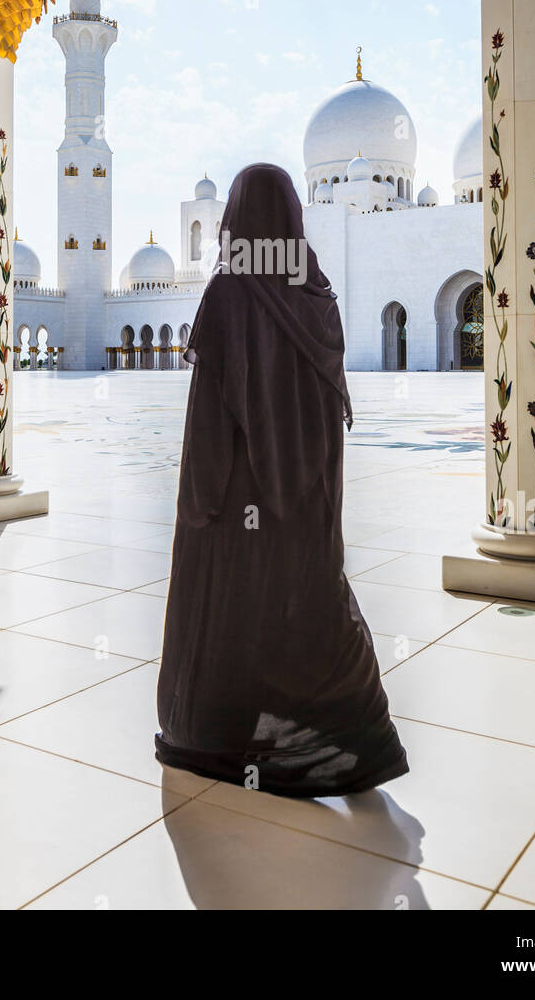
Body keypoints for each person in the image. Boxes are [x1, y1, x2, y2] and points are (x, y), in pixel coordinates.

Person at [155, 163, 409, 797]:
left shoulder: (229, 293)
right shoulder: (315, 291)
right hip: (307, 492)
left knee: (237, 607)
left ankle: (223, 731)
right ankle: (356, 741)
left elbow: (210, 416)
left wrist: (201, 503)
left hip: (239, 495)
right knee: (310, 602)